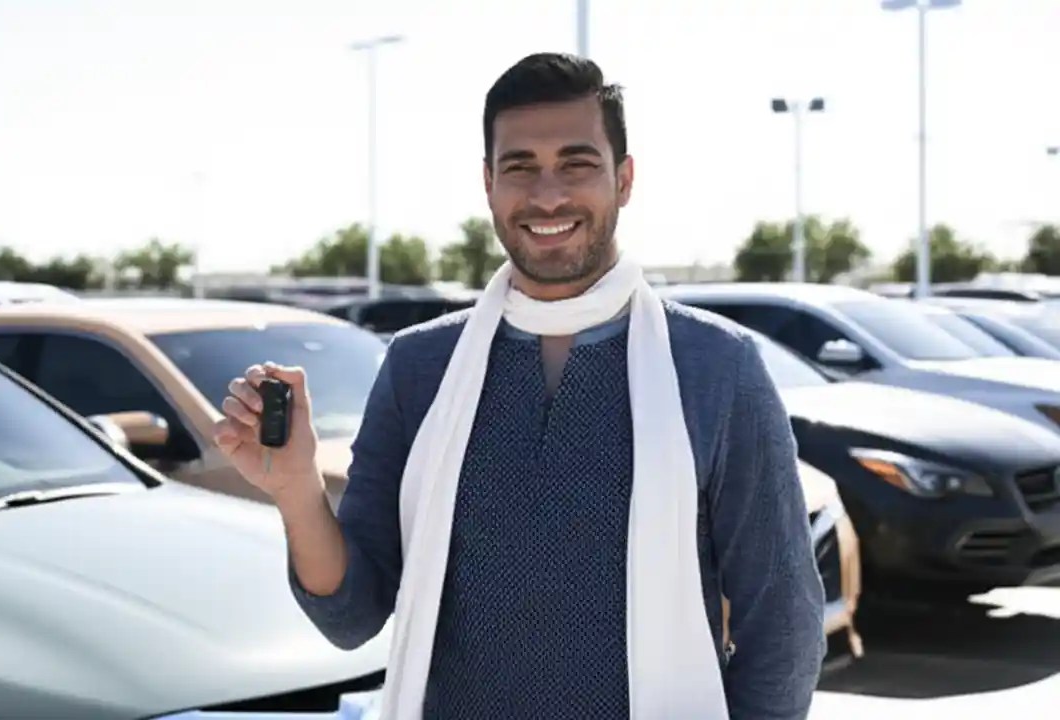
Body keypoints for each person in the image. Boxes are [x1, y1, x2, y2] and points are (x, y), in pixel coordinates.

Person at [213, 52, 825, 720]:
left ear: (624, 179)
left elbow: (783, 631)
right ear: (487, 184)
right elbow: (352, 616)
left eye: (576, 163)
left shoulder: (717, 367)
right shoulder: (421, 368)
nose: (548, 195)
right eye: (520, 167)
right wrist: (296, 489)